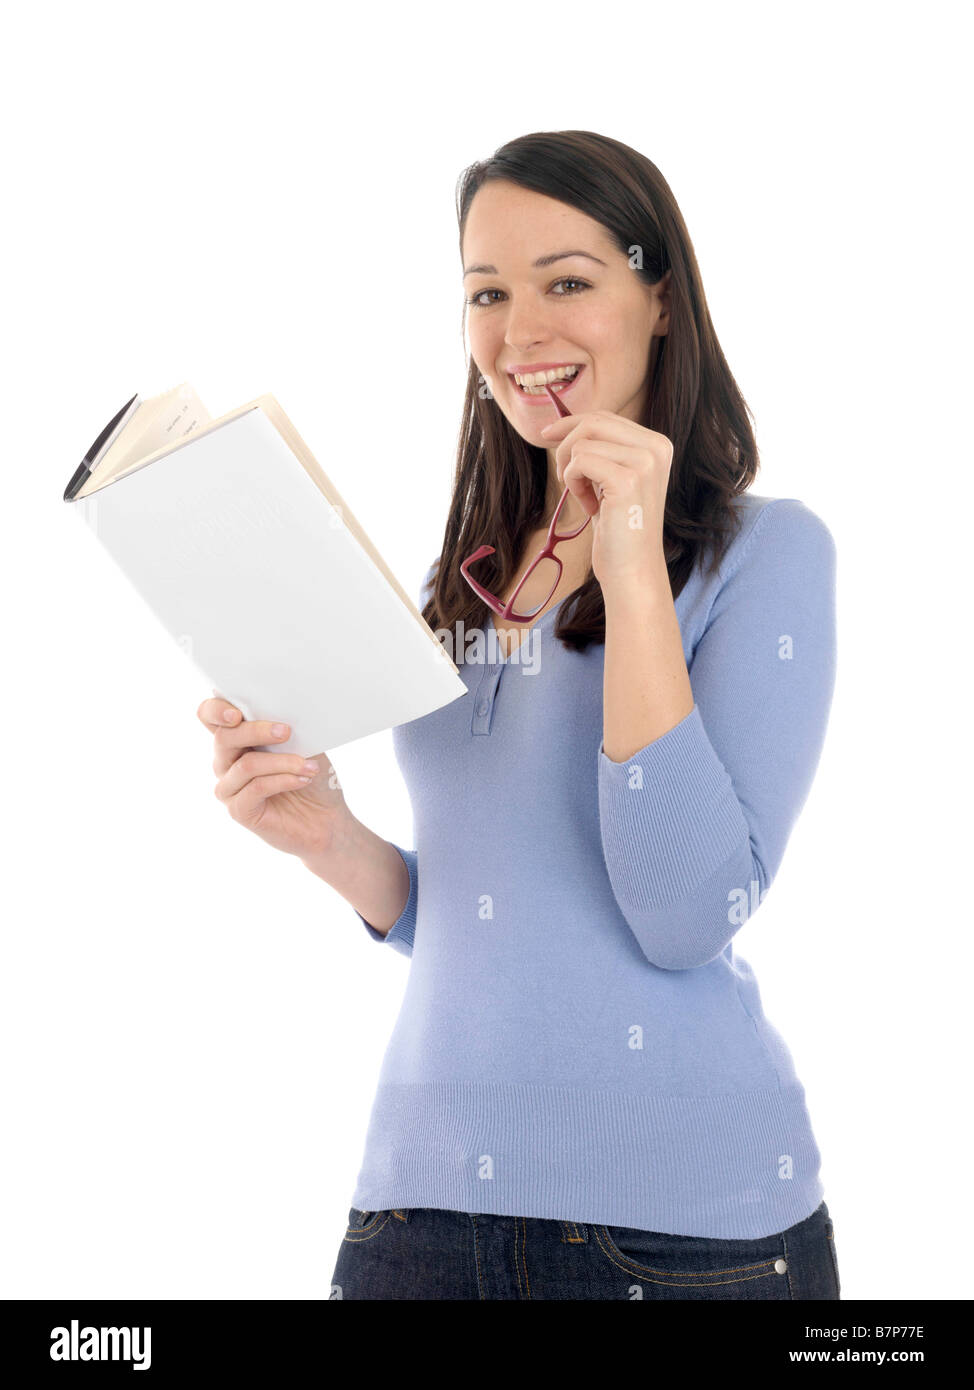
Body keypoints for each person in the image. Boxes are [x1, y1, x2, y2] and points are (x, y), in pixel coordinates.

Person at [198, 130, 841, 1301]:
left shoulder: (766, 555)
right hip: (416, 1209)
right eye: (486, 293)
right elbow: (481, 907)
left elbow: (687, 911)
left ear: (659, 300)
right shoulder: (471, 575)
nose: (519, 330)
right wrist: (329, 840)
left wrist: (634, 565)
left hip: (676, 1238)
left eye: (567, 282)